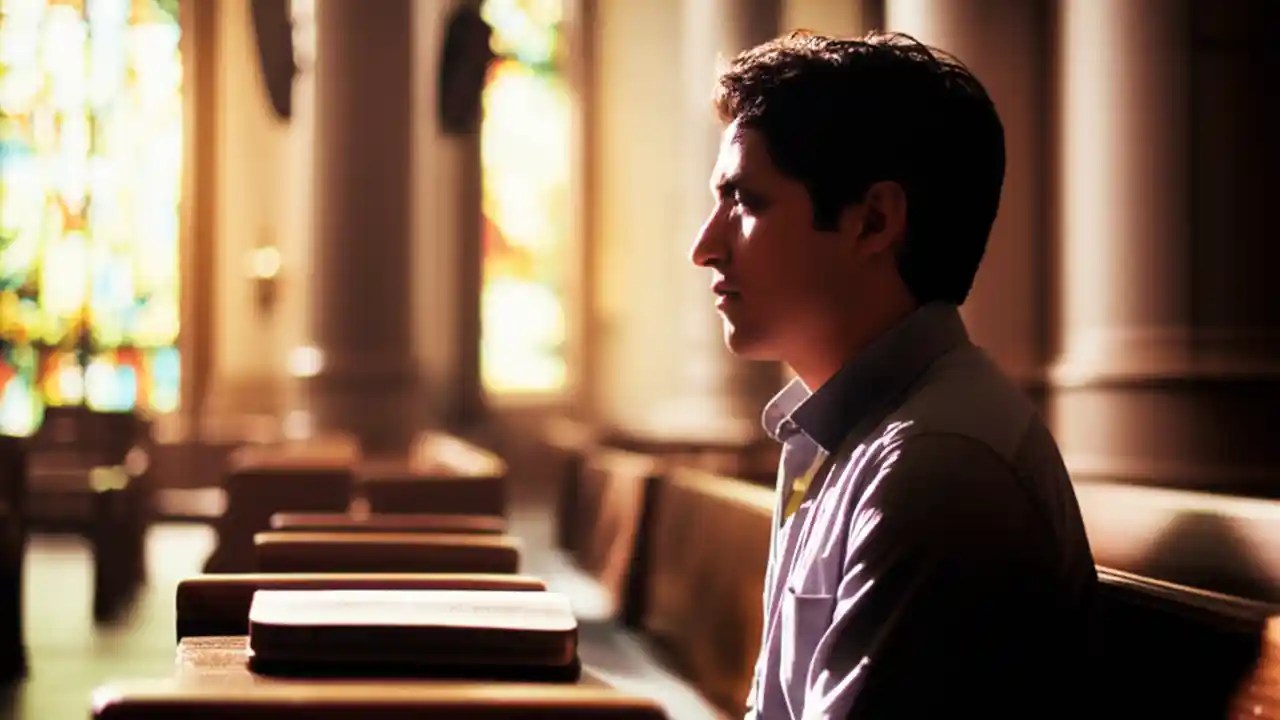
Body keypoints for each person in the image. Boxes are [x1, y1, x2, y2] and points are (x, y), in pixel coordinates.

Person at [688, 31, 1096, 719]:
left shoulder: (937, 466)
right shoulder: (842, 436)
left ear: (873, 221)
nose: (706, 247)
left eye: (747, 203)